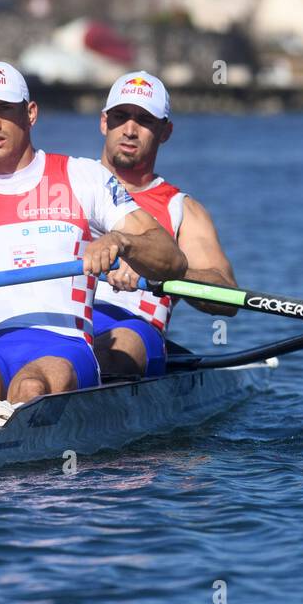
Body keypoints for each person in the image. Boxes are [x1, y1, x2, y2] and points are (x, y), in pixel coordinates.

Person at [0, 61, 189, 403]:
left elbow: (171, 260)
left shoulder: (84, 177)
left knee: (31, 388)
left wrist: (122, 242)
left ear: (30, 113)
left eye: (4, 109)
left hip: (63, 343)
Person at [91, 71, 238, 378]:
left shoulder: (183, 210)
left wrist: (163, 267)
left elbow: (227, 300)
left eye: (144, 121)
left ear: (165, 132)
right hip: (63, 324)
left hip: (133, 333)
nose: (130, 130)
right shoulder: (66, 183)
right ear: (104, 122)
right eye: (121, 116)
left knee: (117, 350)